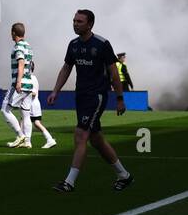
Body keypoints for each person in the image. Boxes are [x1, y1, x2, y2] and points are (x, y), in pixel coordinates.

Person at [48, 10, 132, 192]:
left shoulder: (102, 44)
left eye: (79, 21)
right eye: (74, 20)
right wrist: (55, 90)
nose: (75, 23)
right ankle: (124, 176)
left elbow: (114, 73)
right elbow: (66, 68)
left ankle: (68, 183)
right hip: (81, 96)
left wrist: (119, 98)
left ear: (90, 24)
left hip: (97, 96)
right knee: (96, 139)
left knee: (80, 135)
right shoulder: (73, 45)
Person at [3, 22, 36, 148]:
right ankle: (28, 141)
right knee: (25, 113)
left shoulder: (18, 47)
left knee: (5, 109)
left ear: (13, 33)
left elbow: (21, 63)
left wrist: (18, 82)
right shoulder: (28, 46)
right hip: (29, 83)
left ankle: (20, 136)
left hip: (20, 83)